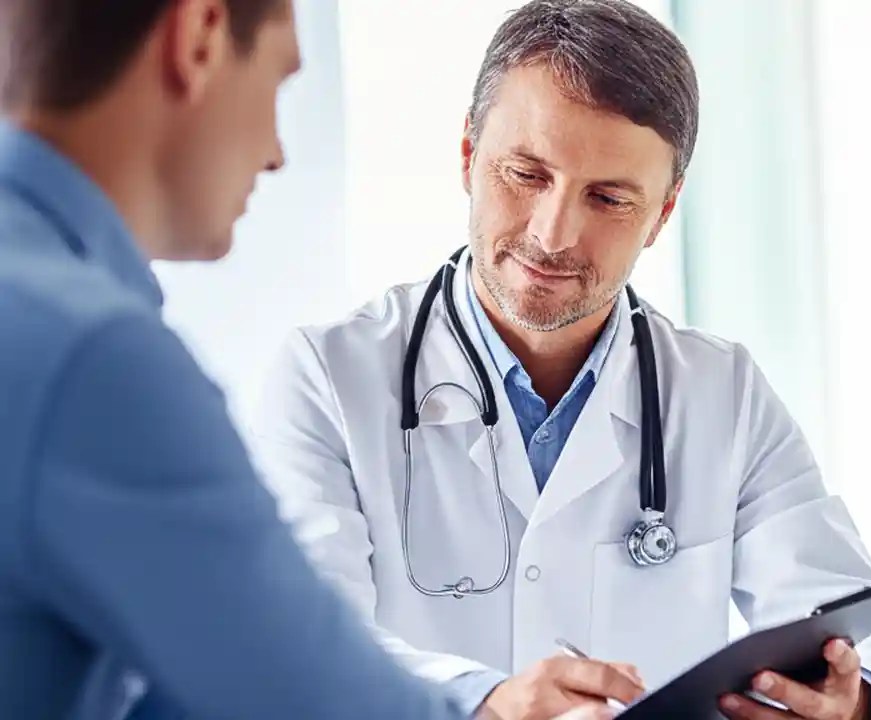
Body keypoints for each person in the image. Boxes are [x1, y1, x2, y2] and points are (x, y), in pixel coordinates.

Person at [253, 1, 871, 719]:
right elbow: (293, 651)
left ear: (663, 213)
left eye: (609, 198)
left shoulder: (720, 395)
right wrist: (483, 705)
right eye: (526, 175)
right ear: (469, 155)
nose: (553, 234)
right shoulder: (329, 376)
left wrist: (855, 703)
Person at [0, 1, 618, 718]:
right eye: (278, 79)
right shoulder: (93, 361)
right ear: (198, 37)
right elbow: (308, 701)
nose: (275, 151)